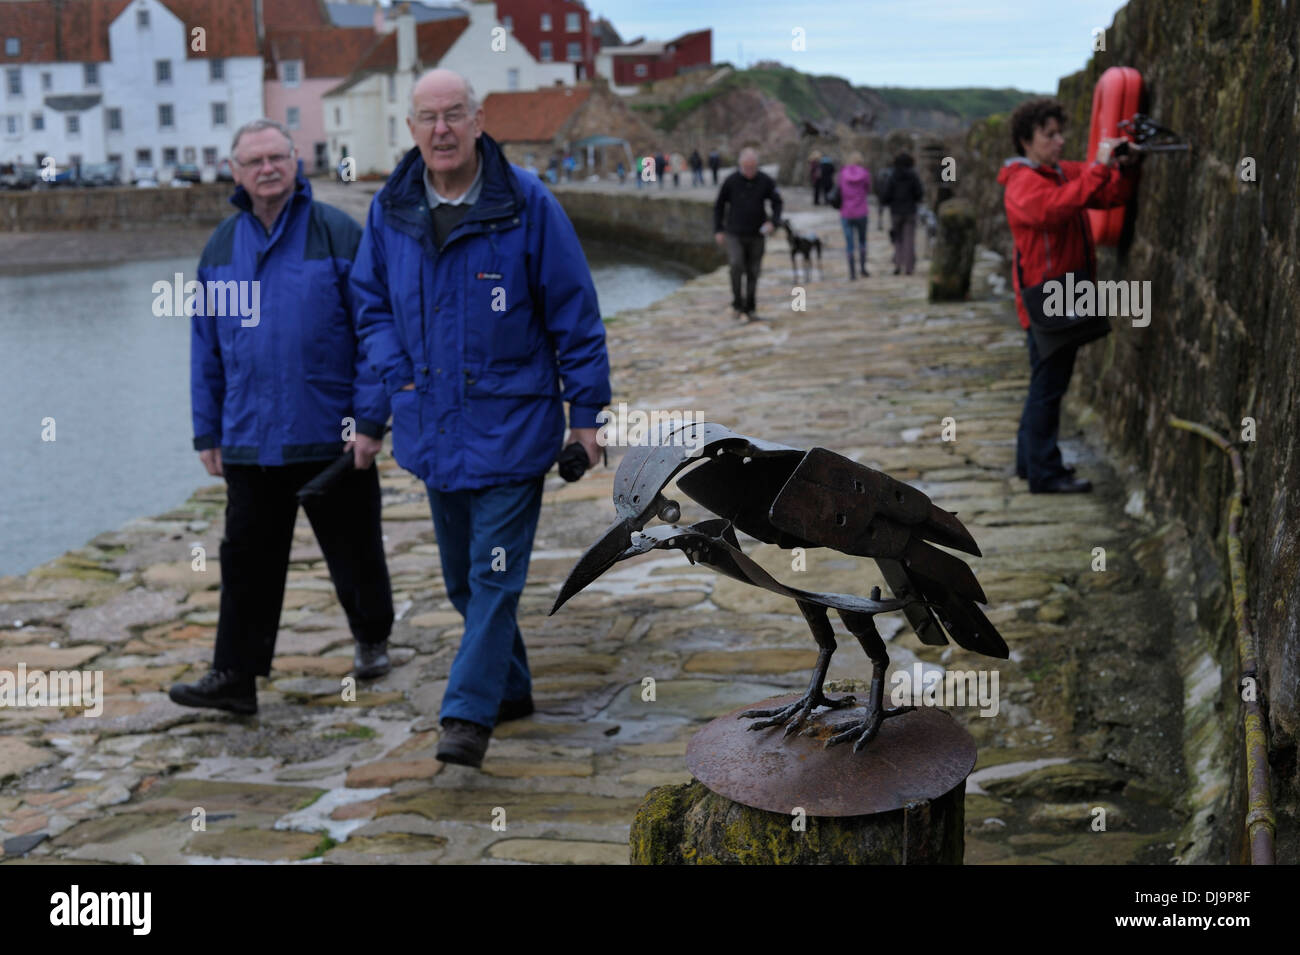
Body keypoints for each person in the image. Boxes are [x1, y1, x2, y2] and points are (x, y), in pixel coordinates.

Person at [350, 69, 611, 769]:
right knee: (463, 580)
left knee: (494, 575)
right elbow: (369, 304)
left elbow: (574, 314)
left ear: (478, 120)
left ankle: (466, 713)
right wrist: (393, 371)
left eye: (454, 115)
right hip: (431, 428)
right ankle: (512, 687)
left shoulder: (528, 204)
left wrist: (586, 413)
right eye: (427, 117)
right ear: (410, 128)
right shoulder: (390, 209)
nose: (441, 129)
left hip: (512, 425)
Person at [171, 119, 394, 716]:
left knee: (355, 550)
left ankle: (372, 636)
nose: (266, 169)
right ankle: (235, 677)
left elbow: (376, 331)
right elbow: (205, 348)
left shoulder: (337, 232)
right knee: (245, 559)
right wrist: (207, 430)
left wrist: (371, 418)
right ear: (236, 172)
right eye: (254, 161)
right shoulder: (221, 247)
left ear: (295, 163)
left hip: (332, 431)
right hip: (247, 436)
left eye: (277, 157)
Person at [1000, 98, 1137, 494]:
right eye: (1050, 135)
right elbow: (1054, 210)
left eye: (1061, 134)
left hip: (1064, 293)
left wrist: (1123, 168)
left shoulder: (1057, 172)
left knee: (1044, 383)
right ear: (1026, 140)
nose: (1060, 142)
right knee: (1048, 387)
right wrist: (1099, 166)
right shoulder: (1024, 182)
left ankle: (1031, 464)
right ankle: (1045, 472)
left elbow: (1106, 194)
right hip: (1049, 298)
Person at [713, 147, 783, 322]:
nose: (749, 171)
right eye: (746, 167)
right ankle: (737, 303)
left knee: (754, 271)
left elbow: (777, 202)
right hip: (734, 233)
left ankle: (750, 308)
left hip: (757, 233)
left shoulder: (765, 181)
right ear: (740, 166)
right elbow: (719, 206)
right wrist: (718, 229)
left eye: (752, 167)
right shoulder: (731, 181)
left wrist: (773, 222)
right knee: (736, 265)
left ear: (757, 166)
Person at [880, 152, 924, 274]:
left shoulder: (892, 176)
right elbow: (919, 193)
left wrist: (888, 202)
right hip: (910, 211)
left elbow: (886, 194)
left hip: (896, 212)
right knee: (909, 239)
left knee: (898, 239)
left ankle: (898, 264)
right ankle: (909, 267)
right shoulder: (914, 176)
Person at [837, 150, 871, 279]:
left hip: (846, 212)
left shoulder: (843, 174)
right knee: (862, 240)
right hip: (861, 211)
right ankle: (862, 268)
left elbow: (839, 191)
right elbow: (868, 189)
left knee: (849, 243)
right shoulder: (865, 174)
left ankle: (852, 273)